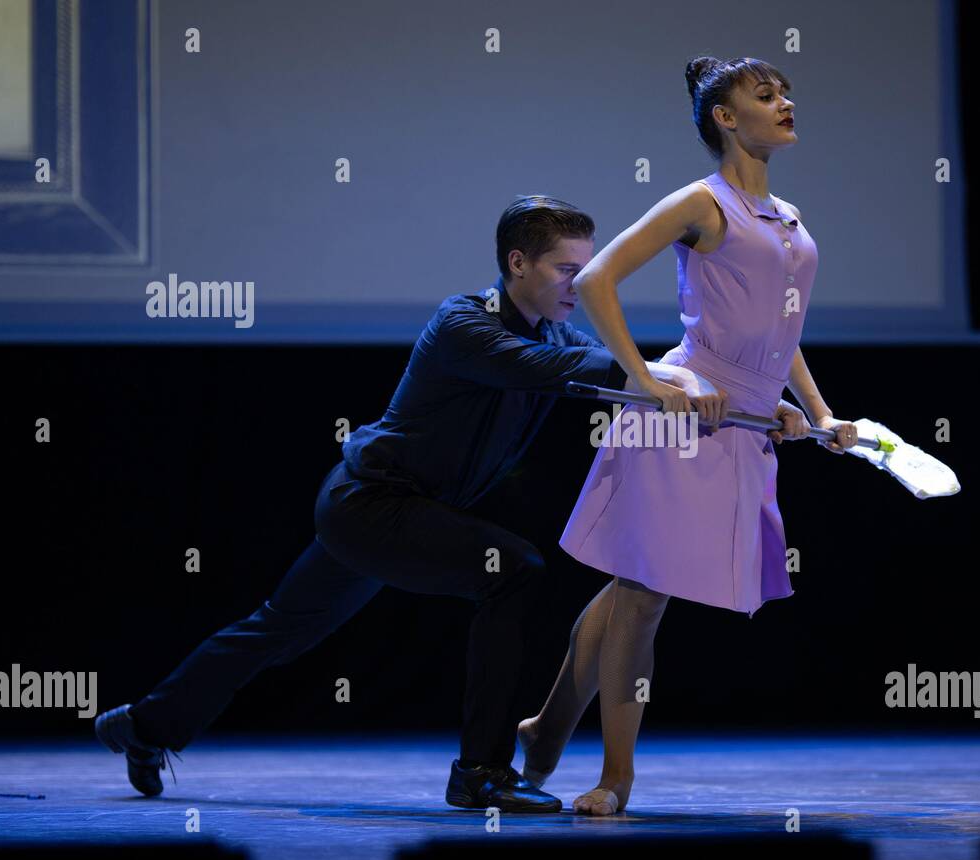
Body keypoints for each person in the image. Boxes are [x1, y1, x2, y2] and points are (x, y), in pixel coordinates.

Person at [94, 196, 725, 812]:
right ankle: (480, 772)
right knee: (514, 572)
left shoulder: (556, 332)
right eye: (567, 270)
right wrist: (653, 379)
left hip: (404, 514)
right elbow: (561, 367)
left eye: (585, 270)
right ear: (517, 263)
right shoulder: (464, 323)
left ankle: (141, 726)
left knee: (274, 630)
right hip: (369, 504)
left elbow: (602, 371)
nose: (580, 282)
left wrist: (718, 397)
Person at [516, 56, 863, 815]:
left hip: (737, 423)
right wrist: (648, 380)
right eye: (765, 96)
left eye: (786, 92)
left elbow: (780, 328)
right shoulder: (700, 204)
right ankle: (615, 778)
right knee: (642, 598)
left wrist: (814, 408)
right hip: (682, 415)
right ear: (725, 118)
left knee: (635, 589)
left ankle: (545, 730)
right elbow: (597, 278)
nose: (786, 103)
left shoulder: (791, 219)